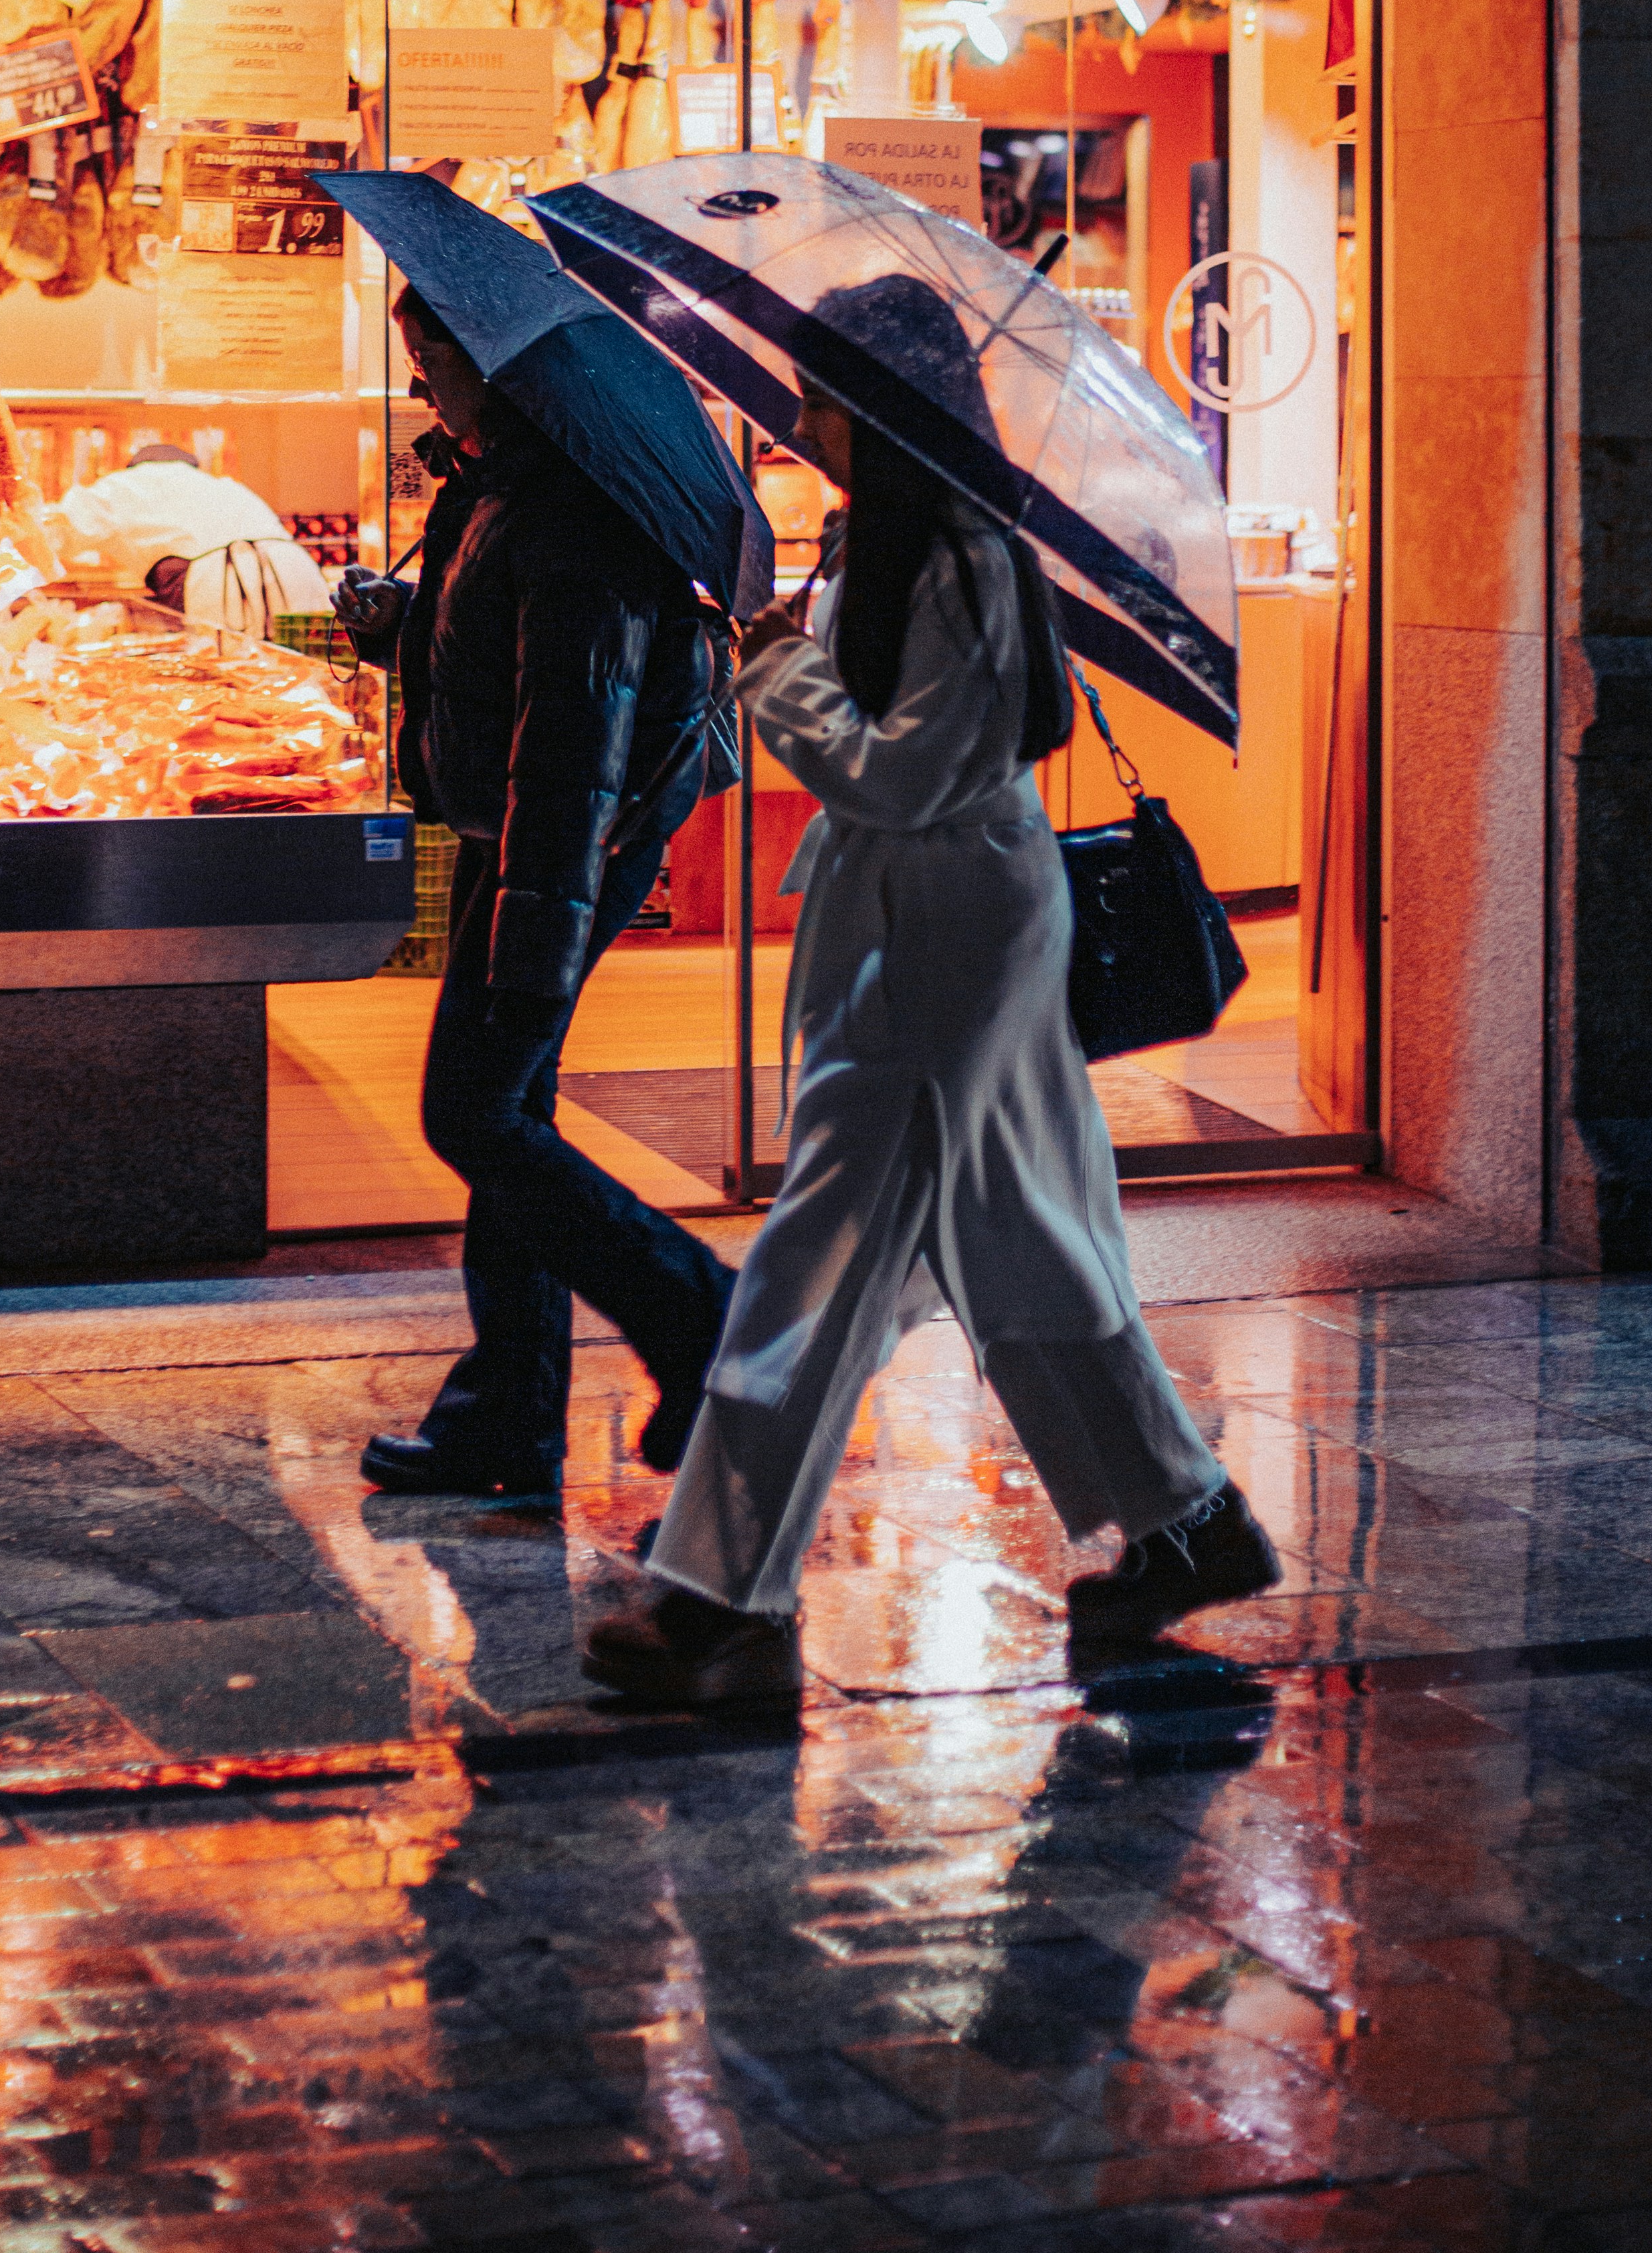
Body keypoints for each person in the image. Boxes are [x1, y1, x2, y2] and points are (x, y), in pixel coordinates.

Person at [584, 282, 1279, 1707]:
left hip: (935, 954)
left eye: (827, 395)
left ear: (888, 406)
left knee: (810, 1272)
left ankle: (718, 1591)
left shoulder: (958, 552)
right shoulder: (903, 542)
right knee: (1022, 1240)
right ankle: (1187, 1524)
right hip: (933, 933)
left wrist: (777, 668)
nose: (807, 421)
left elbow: (903, 772)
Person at [333, 285, 732, 1504]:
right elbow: (505, 652)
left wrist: (534, 924)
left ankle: (703, 1313)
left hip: (556, 850)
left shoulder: (574, 512)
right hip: (519, 840)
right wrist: (405, 624)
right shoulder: (505, 479)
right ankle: (508, 1414)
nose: (419, 387)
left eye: (425, 360)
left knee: (474, 1111)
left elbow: (573, 744)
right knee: (512, 1115)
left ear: (493, 365)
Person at [49, 442, 332, 624]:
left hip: (231, 585)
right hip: (303, 577)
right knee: (306, 680)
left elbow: (52, 533)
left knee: (239, 681)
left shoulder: (123, 486)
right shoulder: (225, 486)